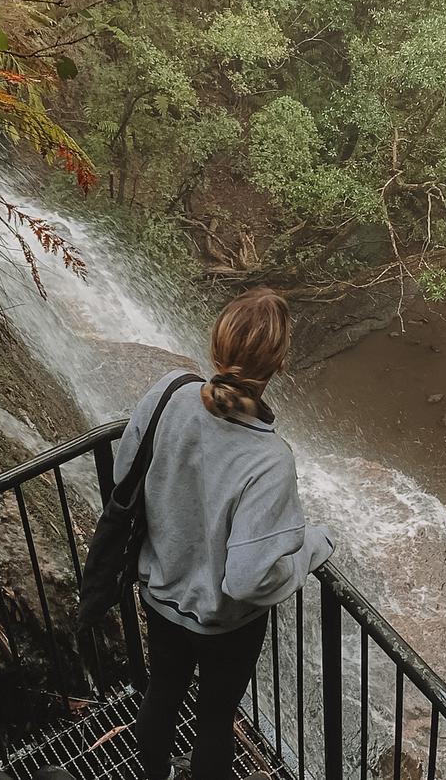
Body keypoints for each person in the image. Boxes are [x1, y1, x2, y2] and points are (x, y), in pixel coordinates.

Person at [113, 287, 334, 780]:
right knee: (214, 719)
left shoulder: (170, 394)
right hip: (224, 626)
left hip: (159, 594)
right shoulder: (269, 459)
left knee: (162, 691)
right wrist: (310, 550)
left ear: (217, 346)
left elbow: (126, 471)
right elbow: (247, 580)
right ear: (278, 364)